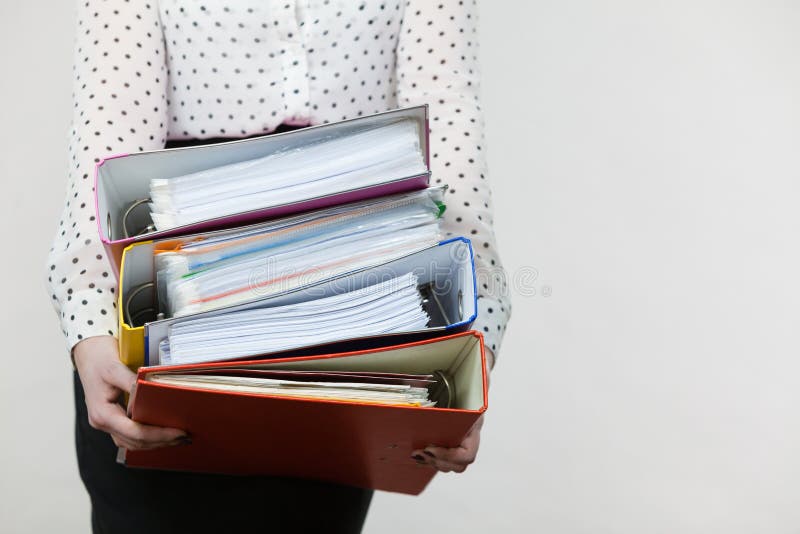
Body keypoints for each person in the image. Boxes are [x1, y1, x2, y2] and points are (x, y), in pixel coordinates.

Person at [45, 1, 511, 532]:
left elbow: (451, 136)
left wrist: (474, 339)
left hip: (340, 315)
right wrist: (86, 325)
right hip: (163, 309)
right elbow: (105, 136)